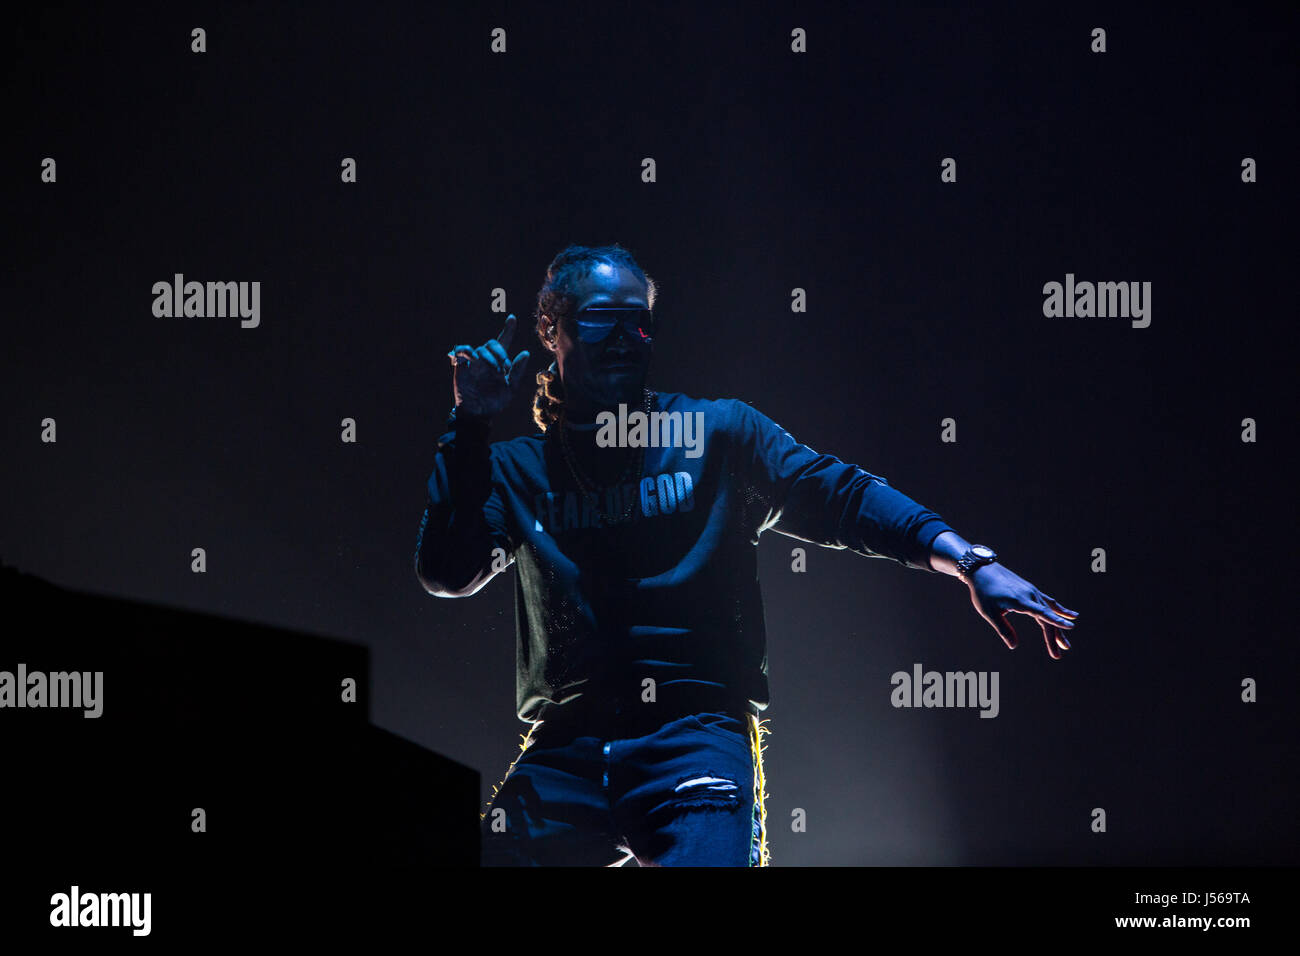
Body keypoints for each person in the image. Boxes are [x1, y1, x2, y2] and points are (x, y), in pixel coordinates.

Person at [414, 243, 1079, 866]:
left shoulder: (718, 434)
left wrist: (970, 561)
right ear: (550, 333)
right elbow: (446, 570)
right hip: (564, 750)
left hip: (694, 740)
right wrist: (469, 423)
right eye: (597, 323)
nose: (623, 340)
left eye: (636, 323)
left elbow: (838, 495)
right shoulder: (517, 469)